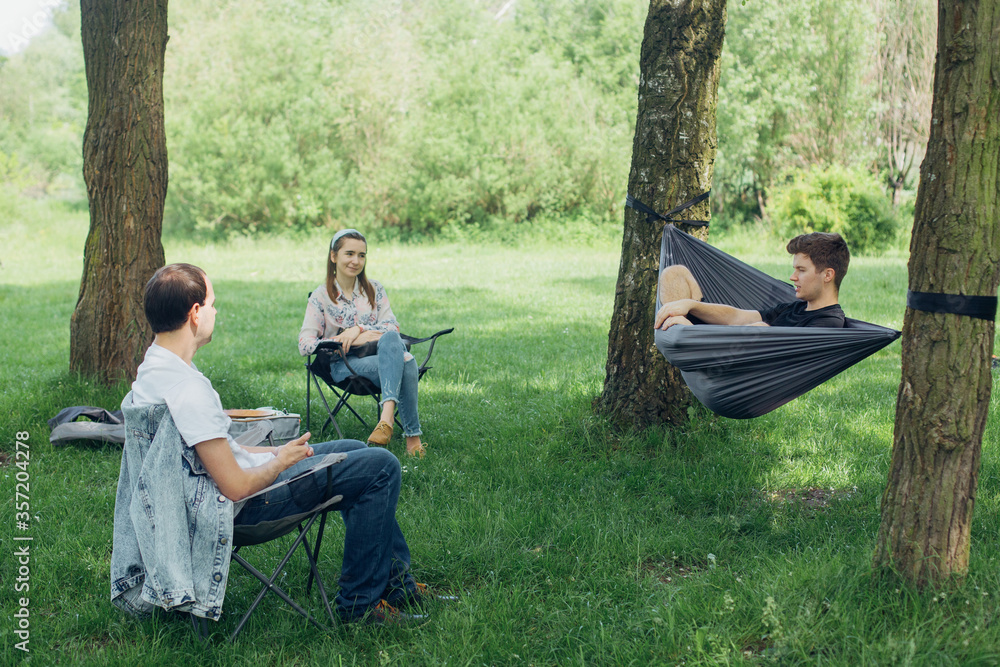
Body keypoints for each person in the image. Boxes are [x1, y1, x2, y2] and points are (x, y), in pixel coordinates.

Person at [111, 263, 428, 625]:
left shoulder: (154, 370)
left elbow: (212, 455)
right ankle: (358, 607)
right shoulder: (187, 390)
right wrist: (281, 464)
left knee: (358, 448)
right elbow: (235, 486)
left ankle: (399, 586)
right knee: (381, 467)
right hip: (242, 506)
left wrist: (279, 451)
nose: (216, 311)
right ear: (195, 313)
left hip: (202, 495)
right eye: (213, 304)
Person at [298, 229, 426, 458]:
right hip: (343, 366)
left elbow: (392, 326)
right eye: (349, 253)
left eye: (362, 255)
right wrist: (344, 338)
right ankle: (411, 437)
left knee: (392, 339)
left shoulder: (374, 290)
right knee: (407, 361)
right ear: (334, 256)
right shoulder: (321, 297)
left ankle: (386, 421)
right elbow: (305, 345)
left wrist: (359, 329)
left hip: (383, 358)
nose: (356, 261)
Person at [655, 232, 850, 330]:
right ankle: (681, 330)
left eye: (801, 270)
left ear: (827, 275)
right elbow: (737, 317)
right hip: (718, 340)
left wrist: (690, 331)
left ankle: (682, 334)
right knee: (674, 274)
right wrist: (690, 305)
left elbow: (764, 344)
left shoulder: (827, 323)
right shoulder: (794, 308)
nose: (792, 277)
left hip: (730, 366)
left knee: (760, 329)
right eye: (794, 269)